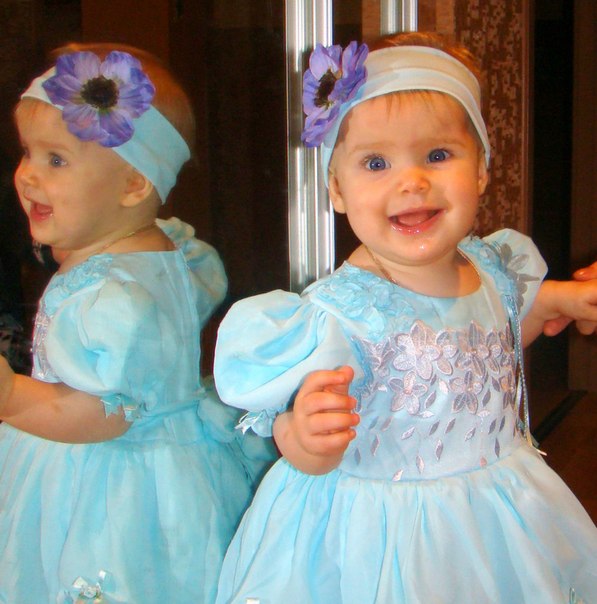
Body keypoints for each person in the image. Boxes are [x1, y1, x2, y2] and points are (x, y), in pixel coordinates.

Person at [213, 32, 597, 603]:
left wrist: (560, 300)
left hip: (500, 515)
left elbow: (495, 333)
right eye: (376, 163)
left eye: (438, 155)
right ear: (337, 189)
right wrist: (304, 436)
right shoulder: (337, 314)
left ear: (482, 170)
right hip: (381, 537)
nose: (411, 181)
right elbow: (294, 430)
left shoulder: (492, 268)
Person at [0, 43, 275, 603]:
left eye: (56, 161)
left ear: (133, 185)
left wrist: (11, 396)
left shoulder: (114, 300)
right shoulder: (160, 251)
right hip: (160, 472)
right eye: (28, 153)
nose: (27, 176)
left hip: (108, 492)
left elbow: (106, 415)